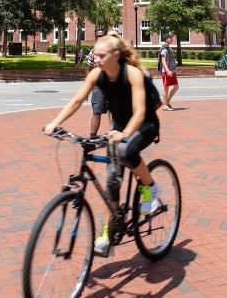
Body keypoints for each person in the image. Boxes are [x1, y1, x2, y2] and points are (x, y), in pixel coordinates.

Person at [43, 33, 161, 256]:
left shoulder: (133, 74)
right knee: (111, 182)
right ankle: (109, 233)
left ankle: (150, 187)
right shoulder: (97, 74)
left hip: (144, 123)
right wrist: (55, 123)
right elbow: (77, 100)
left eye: (101, 56)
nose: (96, 60)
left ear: (116, 55)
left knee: (126, 151)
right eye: (95, 55)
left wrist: (125, 133)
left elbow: (140, 111)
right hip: (118, 126)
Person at [158, 34, 178, 111]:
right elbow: (163, 60)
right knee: (166, 88)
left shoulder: (169, 48)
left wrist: (172, 70)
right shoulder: (164, 49)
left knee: (176, 87)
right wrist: (167, 70)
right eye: (170, 38)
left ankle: (167, 101)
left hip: (172, 70)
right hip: (166, 71)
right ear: (166, 39)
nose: (172, 39)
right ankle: (165, 106)